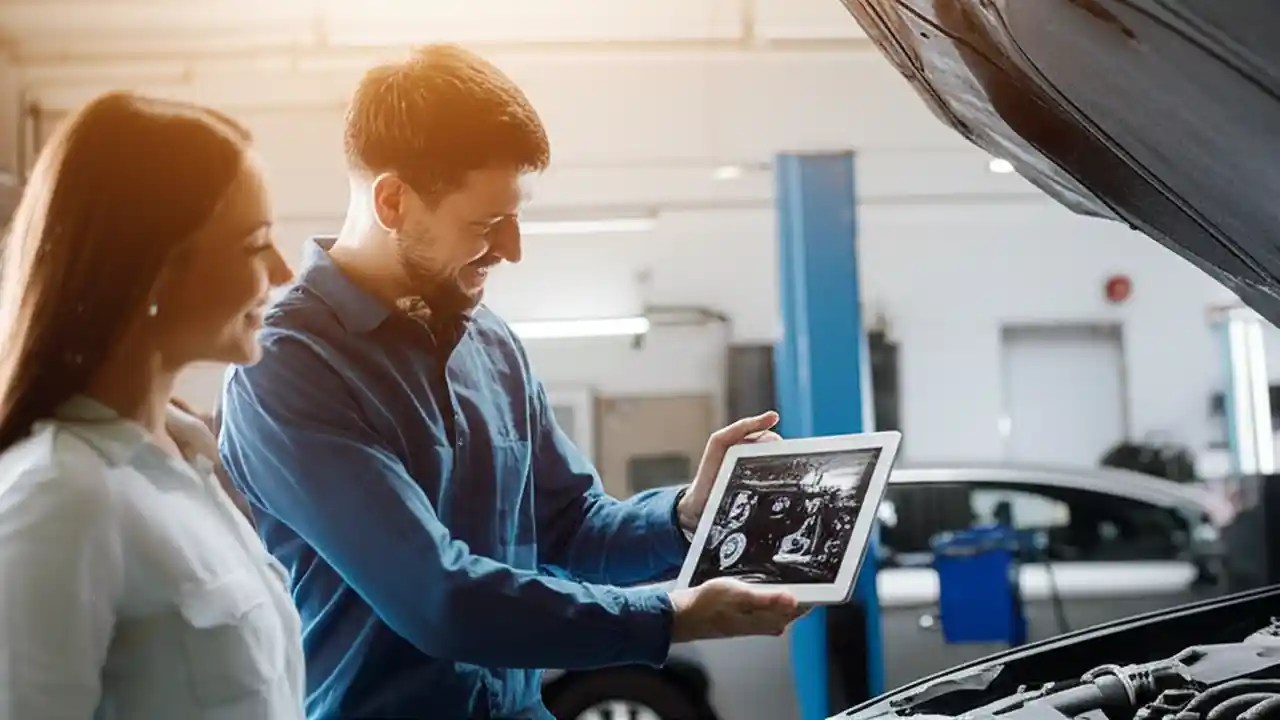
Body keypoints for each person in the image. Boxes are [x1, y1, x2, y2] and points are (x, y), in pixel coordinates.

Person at [218, 44, 805, 720]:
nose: (513, 250)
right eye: (486, 224)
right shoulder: (288, 365)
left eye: (516, 218)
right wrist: (671, 618)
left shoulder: (489, 343)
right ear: (393, 200)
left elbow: (572, 528)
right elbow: (438, 598)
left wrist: (687, 515)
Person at [0, 91, 302, 719]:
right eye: (256, 244)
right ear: (155, 269)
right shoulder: (60, 498)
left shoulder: (186, 459)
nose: (282, 273)